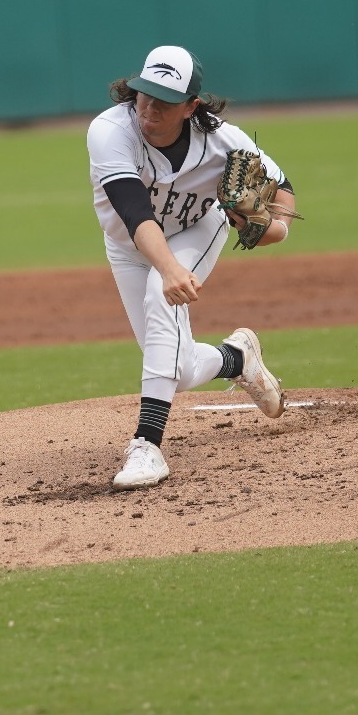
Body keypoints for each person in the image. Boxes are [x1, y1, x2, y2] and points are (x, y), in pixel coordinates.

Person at [86, 45, 297, 490]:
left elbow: (283, 189)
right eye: (145, 94)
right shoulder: (110, 130)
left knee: (160, 300)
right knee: (175, 369)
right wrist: (167, 267)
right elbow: (135, 212)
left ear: (191, 106)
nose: (150, 108)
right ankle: (237, 358)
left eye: (165, 101)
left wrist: (273, 230)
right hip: (128, 244)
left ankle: (147, 446)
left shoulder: (224, 141)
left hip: (197, 229)